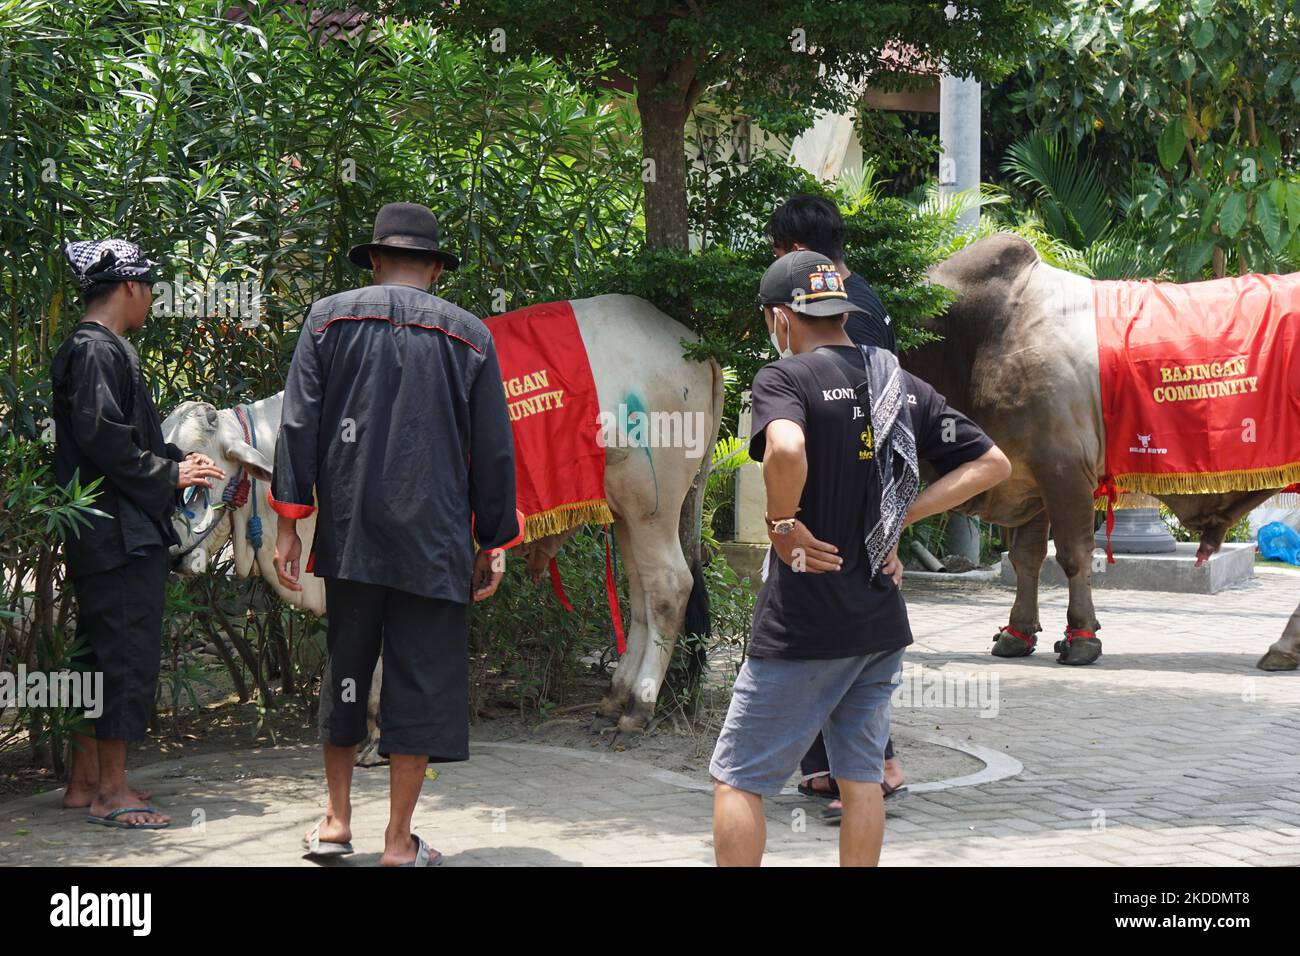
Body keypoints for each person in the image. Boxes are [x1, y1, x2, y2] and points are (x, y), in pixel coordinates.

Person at [709, 250, 1011, 866]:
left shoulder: (784, 378)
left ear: (781, 318)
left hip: (805, 619)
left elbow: (786, 447)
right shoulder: (897, 382)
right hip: (878, 614)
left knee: (738, 777)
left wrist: (783, 525)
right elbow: (991, 463)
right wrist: (901, 514)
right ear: (841, 311)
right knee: (861, 778)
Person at [270, 202, 520, 867]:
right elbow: (494, 450)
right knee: (420, 685)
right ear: (436, 269)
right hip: (434, 544)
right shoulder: (470, 336)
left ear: (376, 261)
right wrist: (493, 538)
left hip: (351, 536)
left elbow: (299, 427)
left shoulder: (328, 318)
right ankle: (396, 843)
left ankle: (332, 822)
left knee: (346, 674)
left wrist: (290, 525)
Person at [51, 239, 226, 830]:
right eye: (149, 286)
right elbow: (103, 439)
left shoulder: (98, 349)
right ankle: (113, 792)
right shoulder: (97, 350)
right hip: (120, 536)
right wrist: (169, 473)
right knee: (124, 658)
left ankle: (85, 783)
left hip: (105, 533)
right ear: (129, 288)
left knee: (95, 657)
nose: (152, 297)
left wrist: (180, 462)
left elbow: (126, 438)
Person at [766, 193, 902, 813]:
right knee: (846, 639)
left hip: (842, 503)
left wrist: (783, 519)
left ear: (798, 256)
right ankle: (836, 771)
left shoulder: (853, 317)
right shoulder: (861, 298)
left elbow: (868, 412)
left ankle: (874, 770)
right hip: (845, 502)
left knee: (843, 635)